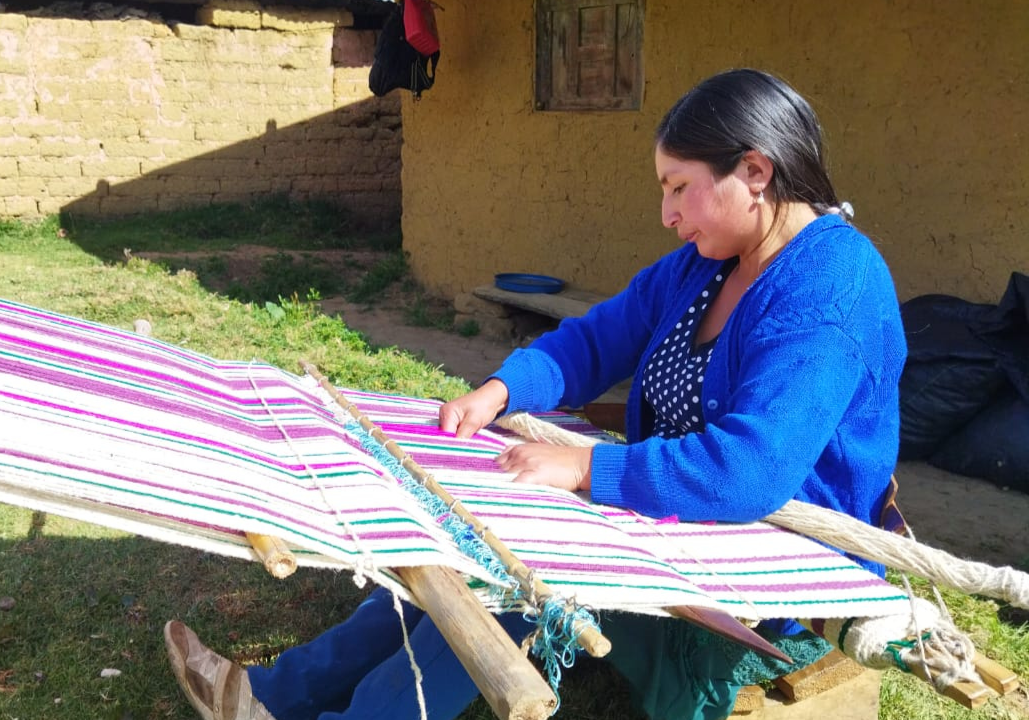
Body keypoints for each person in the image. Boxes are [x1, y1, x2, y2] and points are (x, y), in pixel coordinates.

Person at [165, 68, 906, 720]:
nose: (668, 214)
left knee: (518, 584)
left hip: (771, 584)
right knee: (463, 548)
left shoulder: (831, 286)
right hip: (691, 529)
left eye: (679, 187)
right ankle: (275, 696)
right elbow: (595, 341)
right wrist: (501, 389)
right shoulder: (705, 266)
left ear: (754, 170)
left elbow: (753, 470)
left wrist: (588, 469)